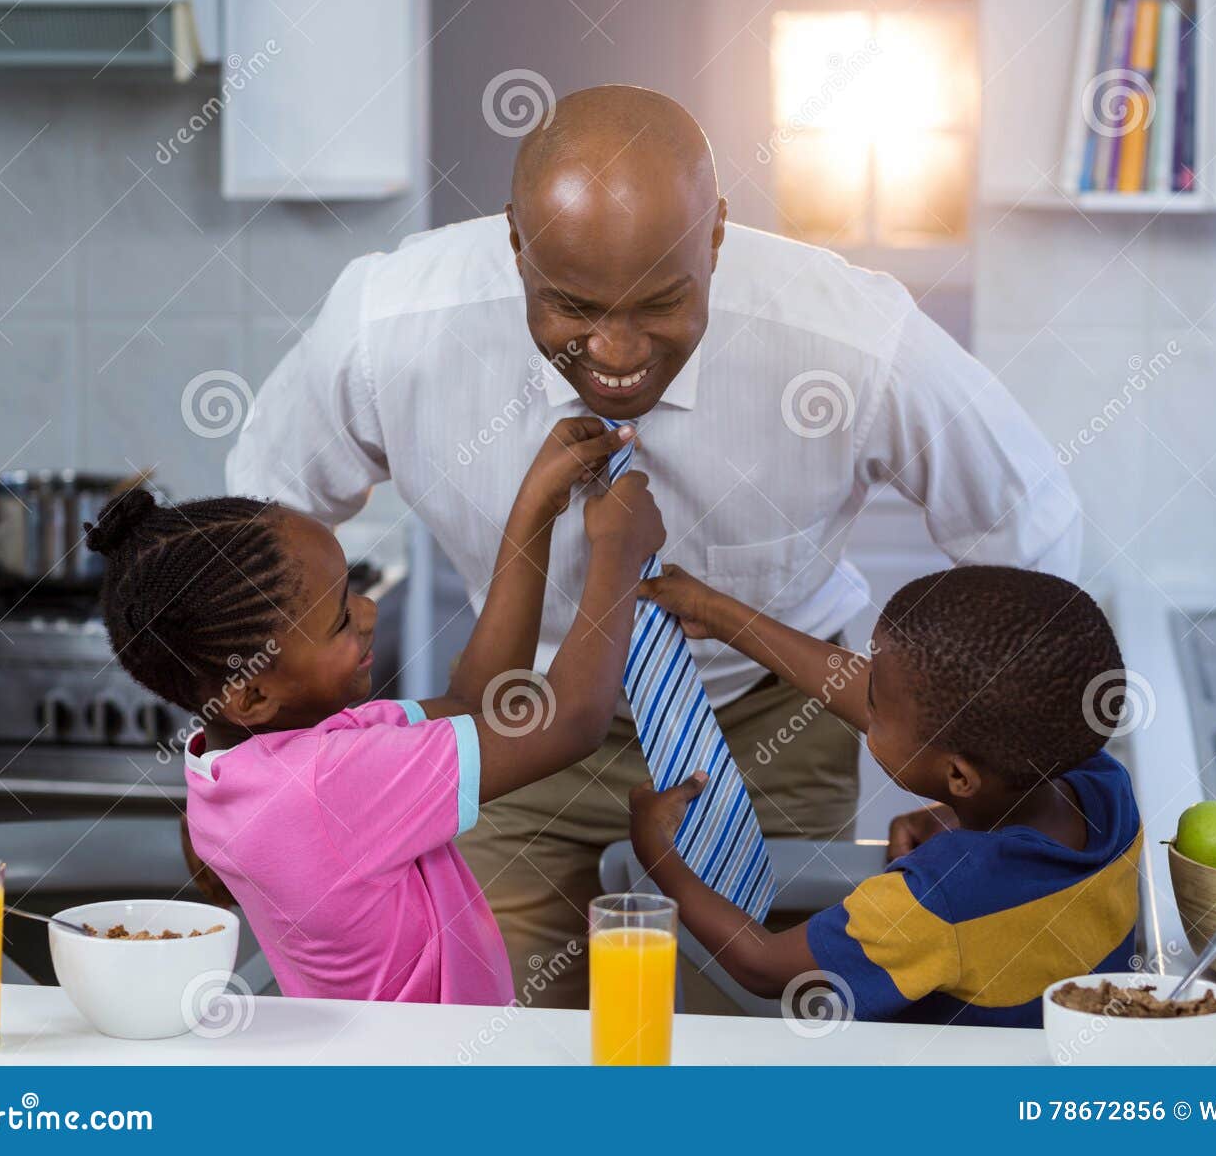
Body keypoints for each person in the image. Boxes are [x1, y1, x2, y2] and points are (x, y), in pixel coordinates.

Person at [227, 84, 1081, 1008]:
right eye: (572, 307)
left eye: (662, 303)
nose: (619, 349)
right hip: (513, 731)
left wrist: (982, 792)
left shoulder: (848, 338)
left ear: (714, 235)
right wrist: (269, 774)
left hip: (765, 737)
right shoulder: (389, 326)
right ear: (516, 241)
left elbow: (1030, 530)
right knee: (491, 1046)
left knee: (744, 1060)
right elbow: (256, 526)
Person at [88, 419, 662, 1003]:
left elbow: (477, 700)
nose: (366, 612)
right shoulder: (328, 783)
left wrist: (537, 505)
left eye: (351, 588)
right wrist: (617, 554)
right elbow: (569, 723)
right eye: (339, 618)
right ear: (254, 696)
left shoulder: (236, 768)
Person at [628, 564, 1141, 1026]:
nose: (862, 697)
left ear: (961, 776)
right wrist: (717, 614)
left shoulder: (935, 903)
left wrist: (659, 854)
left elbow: (761, 966)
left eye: (875, 703)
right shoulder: (1105, 787)